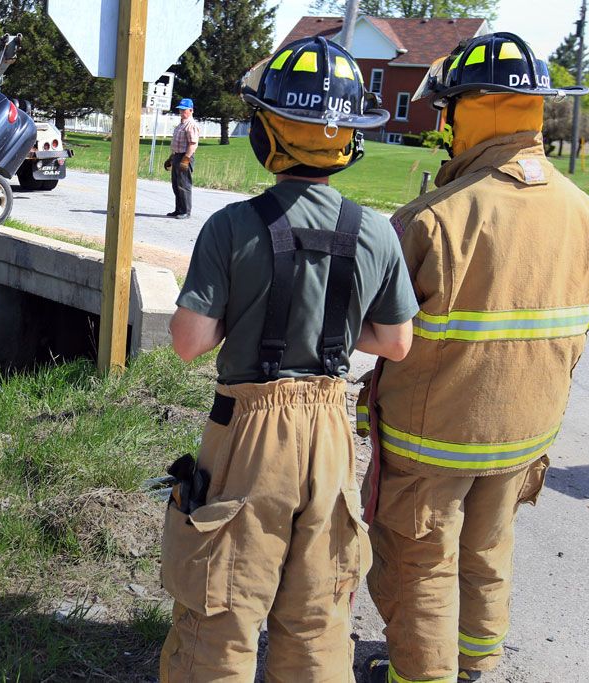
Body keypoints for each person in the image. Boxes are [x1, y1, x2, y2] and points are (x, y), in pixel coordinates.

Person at [158, 36, 419, 682]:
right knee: (318, 614)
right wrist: (330, 326)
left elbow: (189, 340)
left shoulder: (231, 227)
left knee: (221, 608)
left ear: (267, 130)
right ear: (348, 138)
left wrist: (249, 313)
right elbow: (396, 342)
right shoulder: (375, 231)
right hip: (330, 433)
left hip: (248, 433)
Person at [359, 32, 589, 683]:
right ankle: (476, 658)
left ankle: (421, 674)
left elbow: (377, 331)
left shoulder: (431, 220)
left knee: (419, 561)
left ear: (466, 111)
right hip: (525, 432)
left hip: (430, 439)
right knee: (489, 545)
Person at [164, 98, 200, 219]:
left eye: (184, 110)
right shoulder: (181, 124)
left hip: (185, 156)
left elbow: (193, 144)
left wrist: (186, 159)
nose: (182, 112)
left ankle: (186, 211)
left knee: (184, 184)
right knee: (176, 184)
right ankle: (178, 209)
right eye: (180, 110)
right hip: (177, 156)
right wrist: (171, 158)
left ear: (191, 110)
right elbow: (177, 144)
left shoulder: (191, 125)